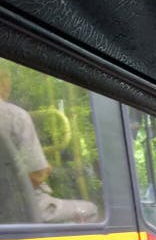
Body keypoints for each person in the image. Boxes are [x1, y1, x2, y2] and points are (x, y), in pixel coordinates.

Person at [0, 65, 98, 223]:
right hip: (22, 207)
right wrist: (47, 169)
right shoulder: (16, 116)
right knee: (91, 210)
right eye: (7, 81)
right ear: (3, 84)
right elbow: (35, 175)